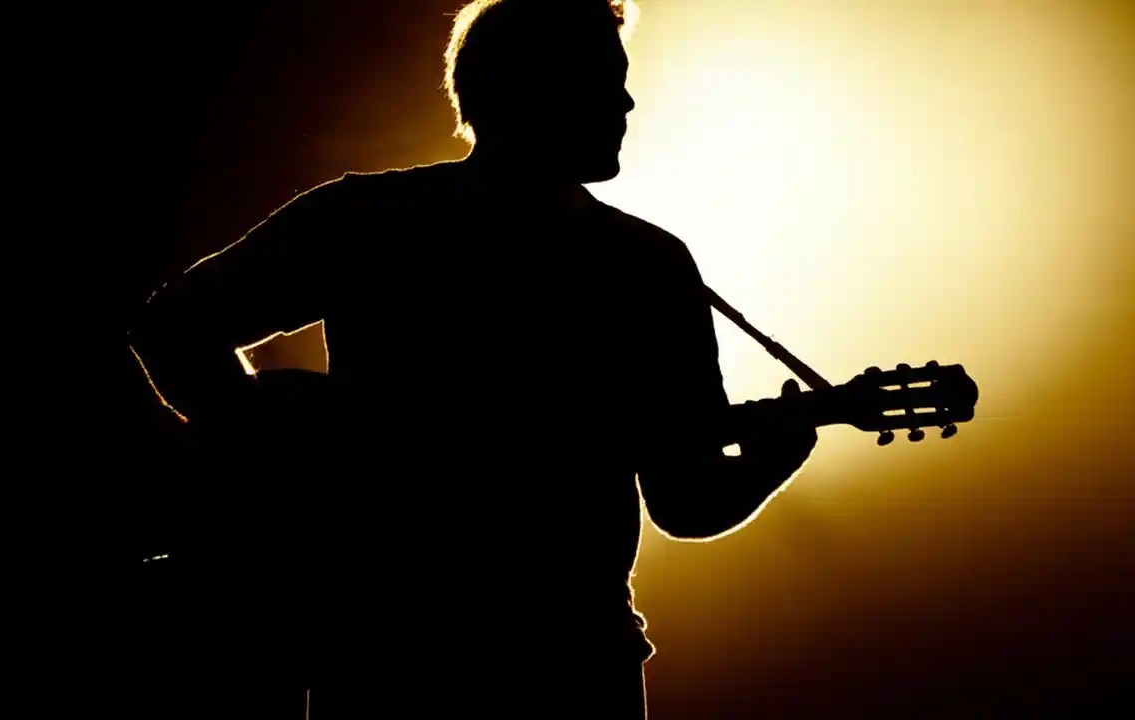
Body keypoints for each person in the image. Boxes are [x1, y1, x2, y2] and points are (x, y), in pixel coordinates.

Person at [127, 0, 817, 716]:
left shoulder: (368, 217)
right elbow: (689, 502)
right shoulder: (643, 264)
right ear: (533, 89)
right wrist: (776, 458)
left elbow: (173, 326)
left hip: (392, 657)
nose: (627, 101)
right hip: (562, 665)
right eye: (605, 80)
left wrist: (294, 445)